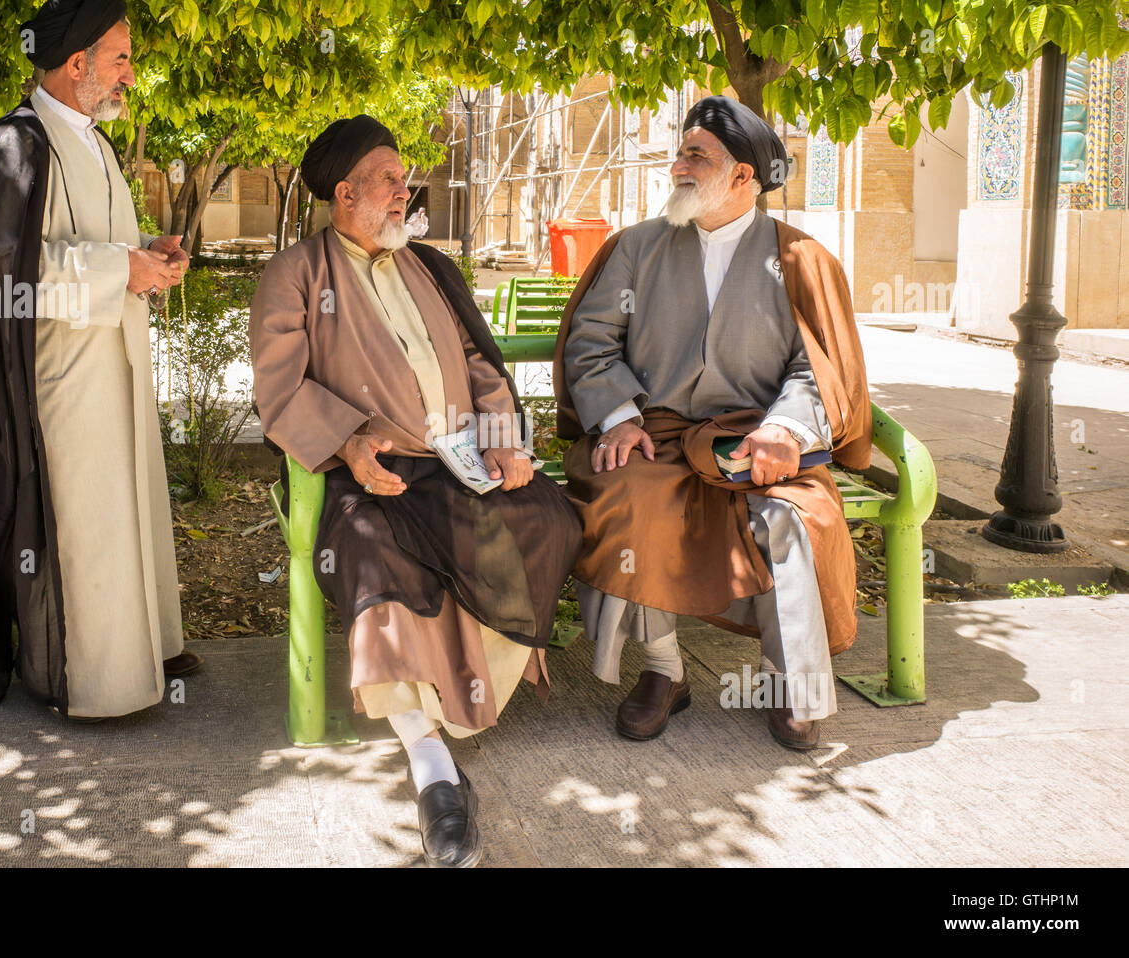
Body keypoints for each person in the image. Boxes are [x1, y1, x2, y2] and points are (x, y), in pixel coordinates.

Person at [250, 115, 582, 866]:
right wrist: (349, 441)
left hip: (460, 461)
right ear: (345, 194)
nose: (407, 193)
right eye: (391, 182)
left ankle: (464, 695)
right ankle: (429, 761)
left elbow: (481, 361)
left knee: (545, 519)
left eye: (404, 181)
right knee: (375, 564)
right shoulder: (296, 274)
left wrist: (504, 443)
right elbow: (278, 389)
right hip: (371, 473)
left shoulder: (428, 265)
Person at [554, 95, 872, 750]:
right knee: (627, 495)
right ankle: (665, 671)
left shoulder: (799, 261)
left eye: (695, 155)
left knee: (793, 520)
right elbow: (591, 343)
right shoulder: (636, 249)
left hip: (760, 440)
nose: (678, 165)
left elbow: (818, 373)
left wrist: (785, 431)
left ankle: (792, 684)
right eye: (681, 151)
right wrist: (615, 415)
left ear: (743, 177)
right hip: (657, 434)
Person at [0, 0, 201, 722]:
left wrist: (147, 256)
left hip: (113, 362)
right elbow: (8, 276)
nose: (132, 72)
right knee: (89, 528)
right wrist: (119, 271)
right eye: (121, 58)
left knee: (129, 512)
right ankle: (99, 684)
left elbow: (94, 243)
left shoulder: (93, 142)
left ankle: (144, 653)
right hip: (61, 383)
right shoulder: (16, 147)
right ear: (77, 65)